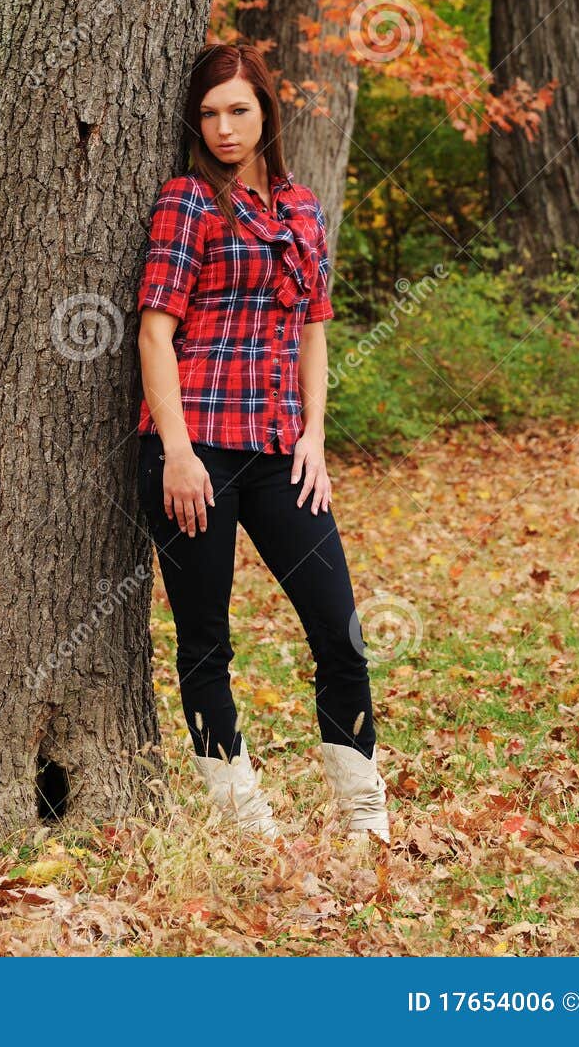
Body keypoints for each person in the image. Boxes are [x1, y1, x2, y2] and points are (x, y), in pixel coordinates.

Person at [135, 41, 389, 845]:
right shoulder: (186, 202)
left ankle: (363, 816)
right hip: (196, 450)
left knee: (340, 632)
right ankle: (245, 824)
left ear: (265, 113)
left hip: (282, 450)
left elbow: (313, 330)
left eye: (238, 110)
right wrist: (176, 452)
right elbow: (153, 333)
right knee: (205, 643)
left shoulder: (301, 207)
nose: (224, 128)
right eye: (209, 114)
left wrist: (314, 434)